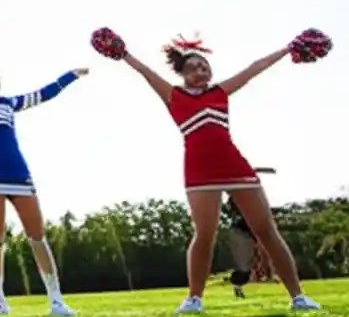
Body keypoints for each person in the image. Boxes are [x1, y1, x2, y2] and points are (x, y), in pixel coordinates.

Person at [93, 29, 324, 313]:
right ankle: (194, 299)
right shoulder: (173, 95)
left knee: (266, 231)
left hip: (234, 165)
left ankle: (298, 296)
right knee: (204, 234)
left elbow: (253, 69)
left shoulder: (219, 92)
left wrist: (288, 49)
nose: (200, 71)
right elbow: (145, 72)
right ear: (182, 74)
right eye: (192, 68)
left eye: (204, 66)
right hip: (199, 172)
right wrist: (124, 54)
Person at [0, 20, 80, 316]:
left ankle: (56, 300)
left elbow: (44, 94)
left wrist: (70, 76)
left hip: (18, 172)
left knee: (37, 234)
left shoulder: (9, 103)